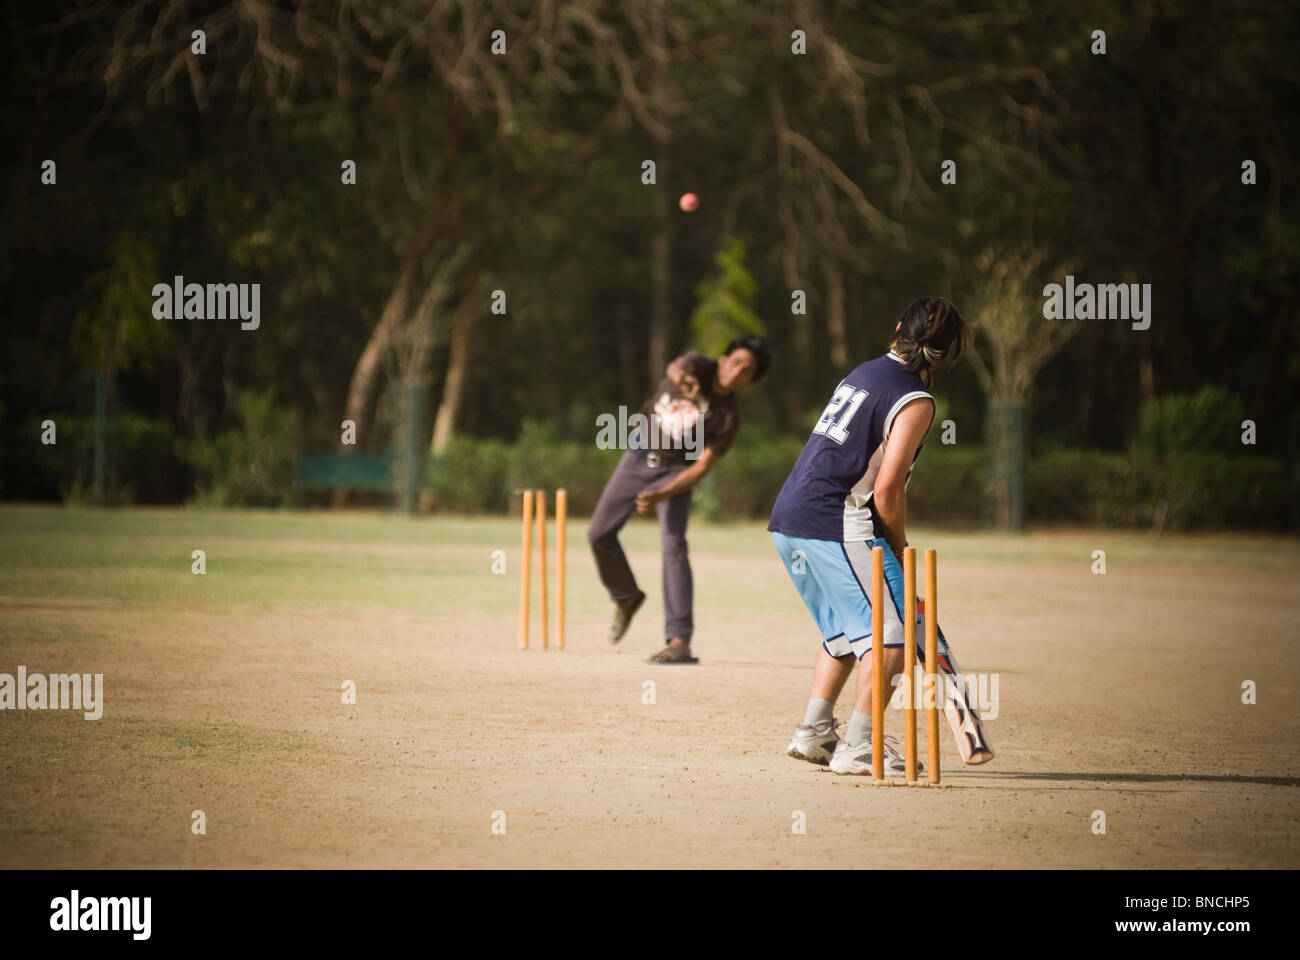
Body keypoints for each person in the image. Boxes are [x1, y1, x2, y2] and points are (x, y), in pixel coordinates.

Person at [768, 297, 993, 775]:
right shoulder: (915, 399)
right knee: (891, 640)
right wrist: (899, 545)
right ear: (949, 354)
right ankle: (858, 745)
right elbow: (888, 489)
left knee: (849, 636)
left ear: (897, 328)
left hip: (790, 517)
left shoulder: (864, 372)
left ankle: (814, 732)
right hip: (837, 520)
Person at [589, 335, 770, 664]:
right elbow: (676, 367)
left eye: (747, 370)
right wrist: (682, 378)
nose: (737, 370)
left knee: (674, 546)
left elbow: (702, 468)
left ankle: (679, 642)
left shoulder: (728, 417)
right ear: (723, 359)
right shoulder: (698, 367)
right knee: (599, 533)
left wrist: (662, 493)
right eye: (736, 361)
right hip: (638, 457)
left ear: (749, 381)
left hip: (678, 473)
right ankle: (626, 597)